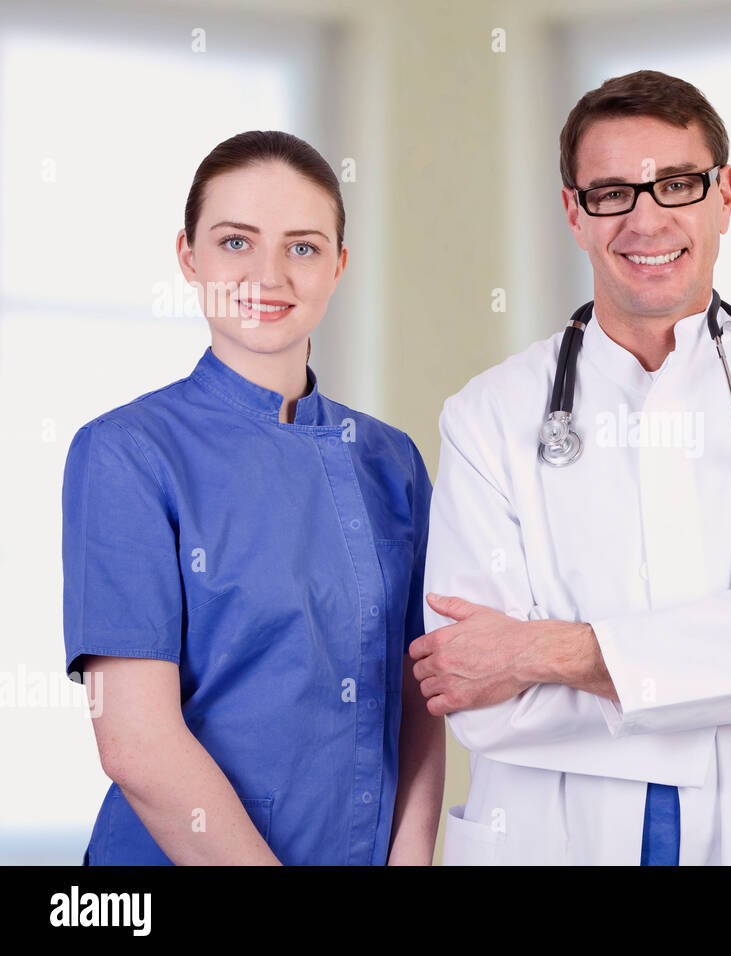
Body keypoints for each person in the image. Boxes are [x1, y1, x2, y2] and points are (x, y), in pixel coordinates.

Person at [410, 70, 731, 865]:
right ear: (574, 212)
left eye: (677, 185)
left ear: (724, 194)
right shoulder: (487, 415)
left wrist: (540, 653)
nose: (646, 219)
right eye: (611, 193)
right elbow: (476, 700)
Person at [61, 130, 444, 865]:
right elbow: (136, 743)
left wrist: (411, 857)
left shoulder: (391, 460)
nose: (267, 275)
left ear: (338, 266)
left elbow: (421, 691)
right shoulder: (127, 453)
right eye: (236, 242)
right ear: (188, 256)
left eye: (302, 248)